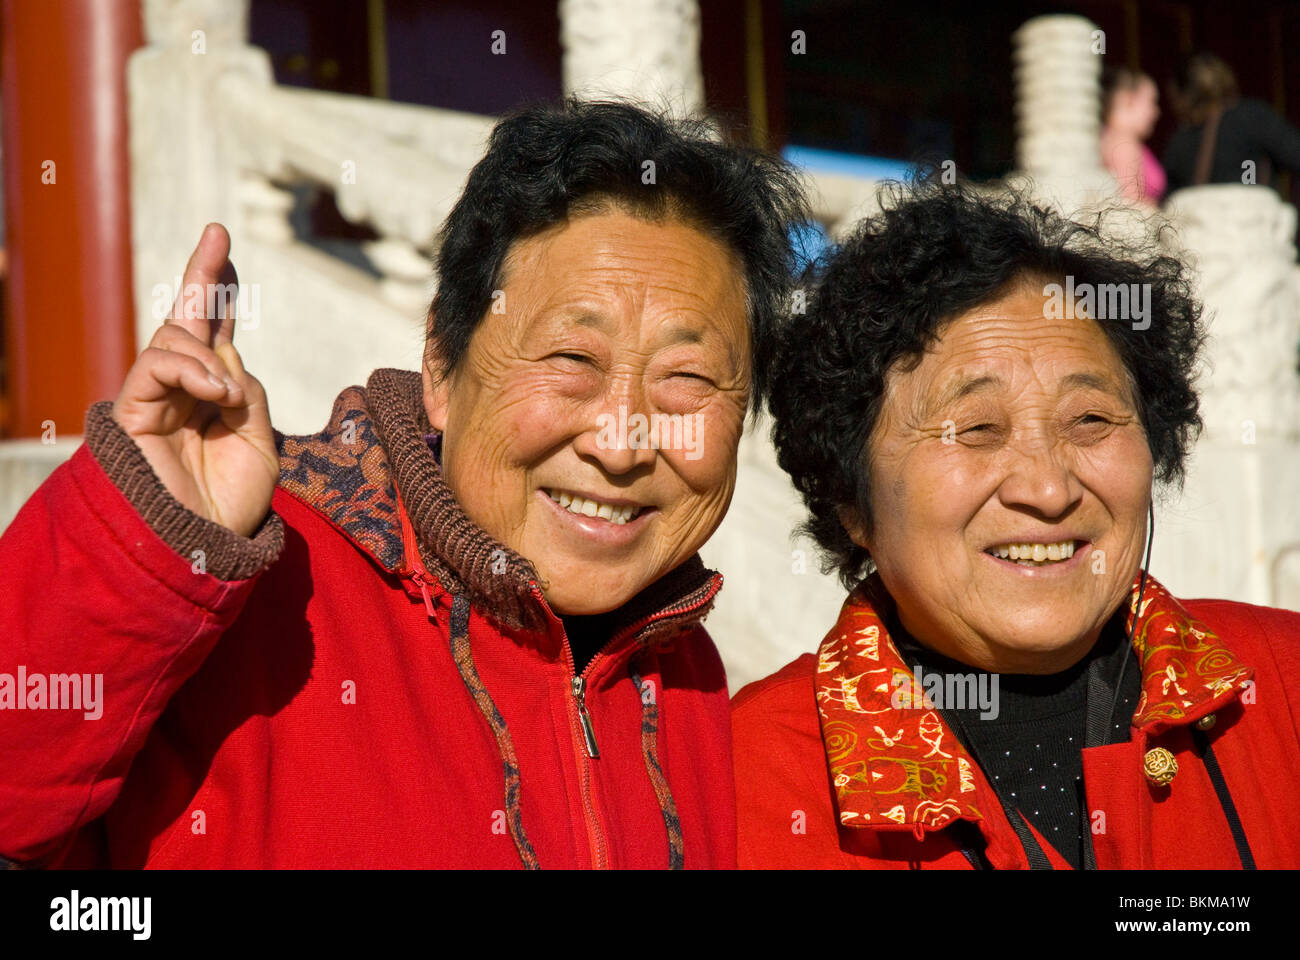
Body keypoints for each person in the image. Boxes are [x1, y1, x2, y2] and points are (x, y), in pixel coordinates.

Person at [0, 99, 809, 868]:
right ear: (441, 365)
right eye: (571, 360)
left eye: (688, 377)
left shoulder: (682, 671)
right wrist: (140, 547)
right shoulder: (260, 582)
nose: (622, 441)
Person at [733, 179, 1300, 869]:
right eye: (976, 429)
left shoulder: (1279, 687)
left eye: (1090, 420)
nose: (1049, 487)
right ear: (850, 500)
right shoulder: (745, 777)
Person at [1163, 52, 1300, 193]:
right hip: (1255, 212)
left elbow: (1168, 200)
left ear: (1180, 94)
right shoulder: (1253, 117)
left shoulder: (1180, 140)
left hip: (1202, 213)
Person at [1100, 66, 1165, 206]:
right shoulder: (1123, 143)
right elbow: (1131, 203)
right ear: (1129, 100)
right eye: (1151, 102)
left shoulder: (1109, 137)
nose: (1156, 112)